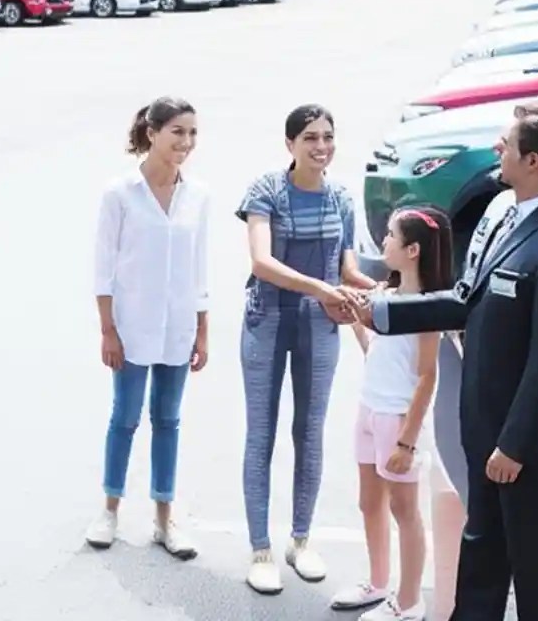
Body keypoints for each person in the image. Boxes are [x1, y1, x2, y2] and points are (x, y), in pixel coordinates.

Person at [357, 98, 538, 621]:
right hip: (484, 436)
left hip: (525, 454)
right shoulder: (502, 213)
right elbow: (466, 300)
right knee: (480, 568)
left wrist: (514, 446)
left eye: (506, 143)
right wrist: (378, 311)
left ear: (532, 160)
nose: (496, 148)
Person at [237, 104, 377, 593]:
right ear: (290, 144)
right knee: (262, 434)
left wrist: (385, 293)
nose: (321, 147)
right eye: (311, 138)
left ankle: (301, 540)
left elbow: (347, 271)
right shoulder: (266, 191)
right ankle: (260, 549)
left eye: (328, 137)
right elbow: (262, 262)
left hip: (319, 327)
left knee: (310, 432)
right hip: (268, 323)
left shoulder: (341, 198)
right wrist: (321, 288)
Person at [85, 96, 210, 560]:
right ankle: (109, 510)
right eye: (177, 131)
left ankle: (164, 518)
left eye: (192, 133)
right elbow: (104, 267)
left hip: (178, 326)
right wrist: (107, 330)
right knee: (125, 417)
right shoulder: (120, 193)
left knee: (168, 421)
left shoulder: (198, 196)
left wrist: (202, 330)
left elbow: (199, 268)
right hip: (132, 326)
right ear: (152, 133)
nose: (186, 142)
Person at [332, 207, 454, 621]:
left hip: (397, 419)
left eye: (390, 235)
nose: (383, 241)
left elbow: (427, 377)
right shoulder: (386, 294)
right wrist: (355, 320)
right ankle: (379, 582)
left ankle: (409, 601)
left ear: (413, 250)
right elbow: (376, 353)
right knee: (370, 503)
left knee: (405, 511)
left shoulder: (427, 309)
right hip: (369, 408)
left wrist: (407, 441)